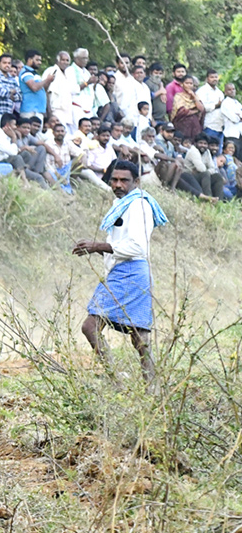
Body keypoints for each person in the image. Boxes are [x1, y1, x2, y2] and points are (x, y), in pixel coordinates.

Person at [73, 160, 166, 381]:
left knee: (91, 327)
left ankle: (116, 380)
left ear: (136, 182)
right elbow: (121, 246)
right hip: (129, 270)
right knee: (139, 336)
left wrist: (98, 245)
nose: (117, 184)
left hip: (130, 271)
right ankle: (151, 386)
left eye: (124, 180)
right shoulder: (123, 204)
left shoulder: (138, 205)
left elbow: (137, 247)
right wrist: (97, 249)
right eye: (114, 180)